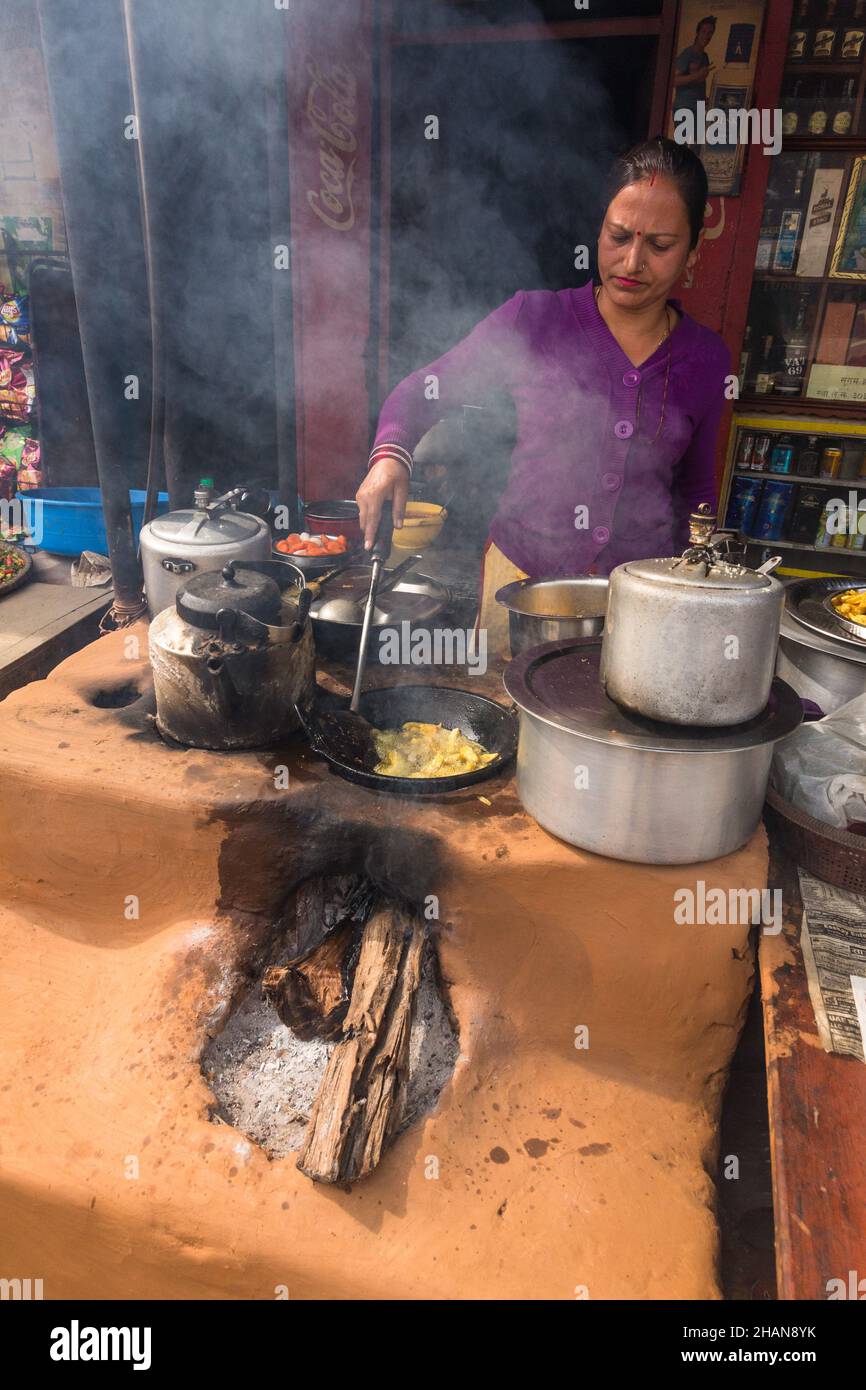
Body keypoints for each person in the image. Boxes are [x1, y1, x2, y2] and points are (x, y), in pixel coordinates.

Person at [357, 135, 730, 655]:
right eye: (618, 236)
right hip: (521, 594)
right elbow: (426, 388)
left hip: (640, 603)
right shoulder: (535, 320)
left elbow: (697, 492)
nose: (632, 261)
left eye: (660, 246)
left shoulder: (707, 359)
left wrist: (699, 582)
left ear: (693, 251)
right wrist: (390, 456)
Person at [672, 16, 716, 126]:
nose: (707, 36)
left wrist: (705, 100)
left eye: (710, 32)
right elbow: (673, 80)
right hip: (685, 108)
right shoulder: (688, 53)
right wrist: (697, 75)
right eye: (704, 31)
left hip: (698, 109)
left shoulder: (705, 56)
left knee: (699, 141)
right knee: (686, 142)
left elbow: (697, 84)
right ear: (697, 32)